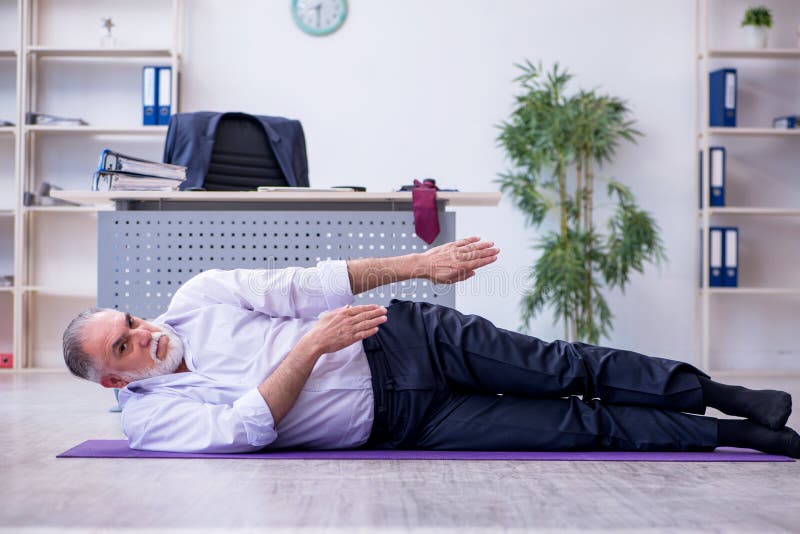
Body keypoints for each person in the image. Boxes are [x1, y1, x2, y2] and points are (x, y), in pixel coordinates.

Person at [62, 237, 799, 457]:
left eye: (132, 321)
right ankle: (737, 436)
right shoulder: (150, 422)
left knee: (566, 367)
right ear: (113, 382)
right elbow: (244, 431)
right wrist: (310, 349)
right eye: (125, 345)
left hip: (408, 341)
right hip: (405, 421)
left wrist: (423, 264)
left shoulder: (197, 297)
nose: (145, 333)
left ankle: (729, 394)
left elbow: (307, 284)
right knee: (577, 426)